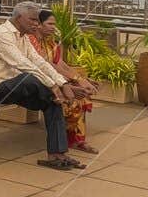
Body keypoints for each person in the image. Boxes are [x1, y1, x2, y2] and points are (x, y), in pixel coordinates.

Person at [0, 2, 86, 170]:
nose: (36, 24)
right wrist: (55, 87)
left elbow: (38, 62)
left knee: (52, 103)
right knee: (29, 77)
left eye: (37, 20)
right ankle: (59, 96)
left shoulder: (23, 37)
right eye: (33, 20)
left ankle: (57, 155)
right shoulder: (1, 34)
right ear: (19, 18)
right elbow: (23, 64)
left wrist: (63, 82)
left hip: (18, 88)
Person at [30, 9, 100, 152]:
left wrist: (82, 80)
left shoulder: (50, 42)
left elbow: (61, 65)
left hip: (54, 78)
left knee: (82, 95)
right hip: (38, 79)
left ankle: (78, 140)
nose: (53, 27)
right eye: (49, 24)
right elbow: (48, 65)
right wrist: (78, 81)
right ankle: (65, 140)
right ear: (39, 25)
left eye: (54, 24)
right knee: (74, 98)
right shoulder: (32, 41)